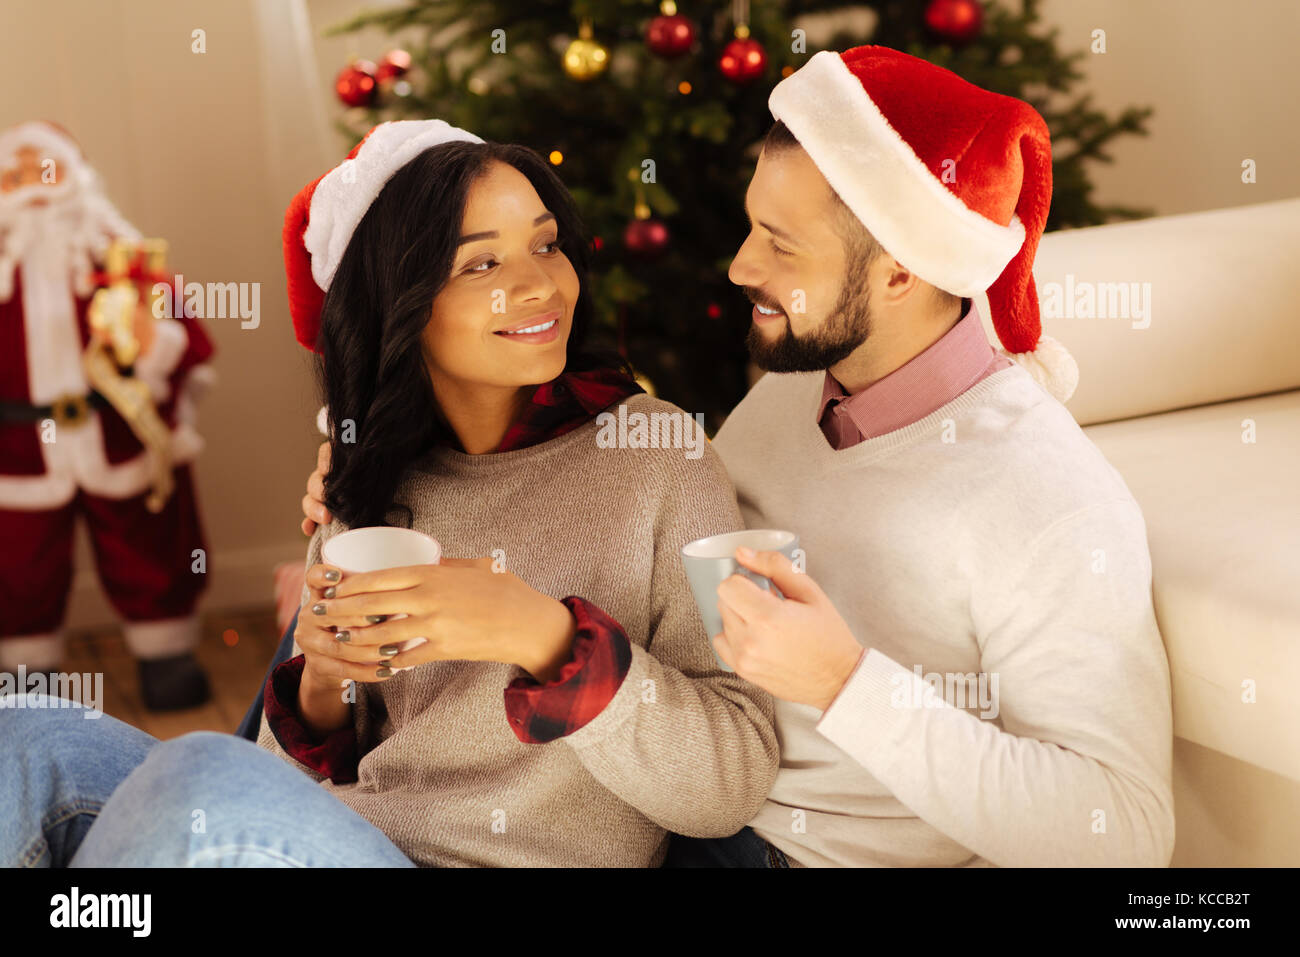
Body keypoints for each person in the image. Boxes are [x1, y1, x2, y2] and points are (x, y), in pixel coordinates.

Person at [307, 47, 1176, 868]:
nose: (737, 267)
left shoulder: (1047, 498)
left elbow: (1124, 830)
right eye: (752, 225)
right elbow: (625, 526)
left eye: (780, 245)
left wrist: (845, 683)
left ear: (903, 272)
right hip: (655, 816)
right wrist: (370, 462)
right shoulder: (795, 392)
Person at [0, 119, 779, 868]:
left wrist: (545, 637)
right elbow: (283, 776)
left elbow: (731, 781)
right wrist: (325, 683)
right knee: (24, 733)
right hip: (346, 838)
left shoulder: (655, 456)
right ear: (401, 305)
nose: (540, 285)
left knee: (204, 770)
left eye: (547, 244)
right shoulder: (367, 475)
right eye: (482, 264)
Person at [0, 120, 215, 711]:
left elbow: (182, 334)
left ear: (76, 175)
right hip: (18, 446)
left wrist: (153, 341)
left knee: (148, 542)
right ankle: (27, 676)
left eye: (47, 171)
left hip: (117, 429)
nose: (33, 189)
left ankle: (166, 655)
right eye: (14, 177)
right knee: (20, 564)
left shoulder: (119, 257)